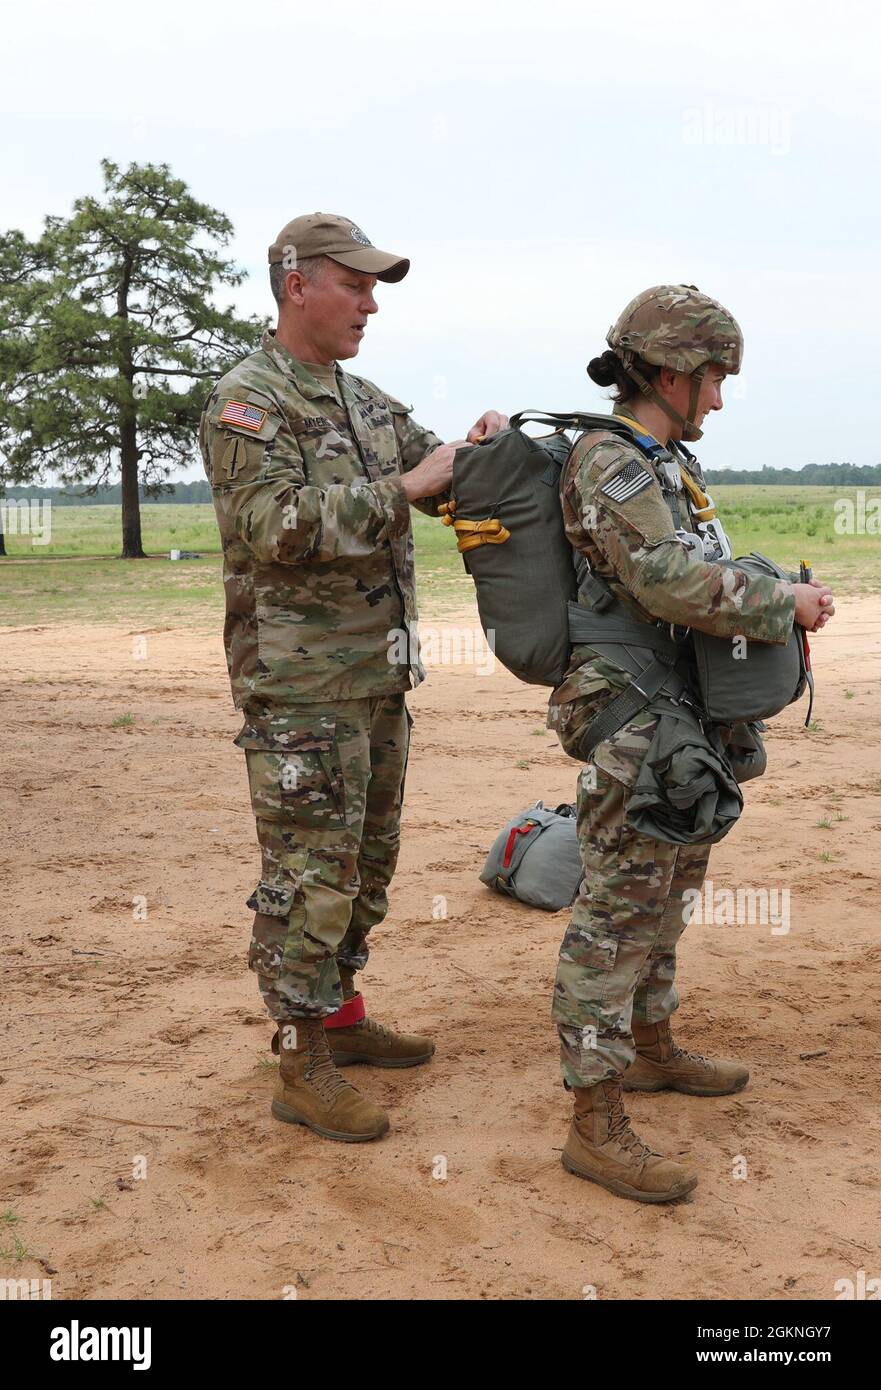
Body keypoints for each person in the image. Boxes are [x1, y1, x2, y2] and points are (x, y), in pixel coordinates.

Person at [199, 212, 507, 1143]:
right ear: (298, 285)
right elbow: (274, 526)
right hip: (298, 688)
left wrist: (477, 446)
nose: (371, 304)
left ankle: (338, 1017)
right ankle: (299, 1062)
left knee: (366, 863)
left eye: (374, 289)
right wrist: (405, 492)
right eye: (356, 285)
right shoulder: (248, 402)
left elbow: (434, 465)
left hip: (376, 679)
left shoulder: (362, 399)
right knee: (308, 873)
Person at [547, 285, 834, 1201]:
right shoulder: (611, 461)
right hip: (632, 712)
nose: (717, 397)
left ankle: (651, 1045)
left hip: (674, 708)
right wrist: (777, 603)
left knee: (668, 887)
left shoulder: (661, 460)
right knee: (616, 912)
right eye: (712, 378)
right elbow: (666, 578)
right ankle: (594, 1120)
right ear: (668, 372)